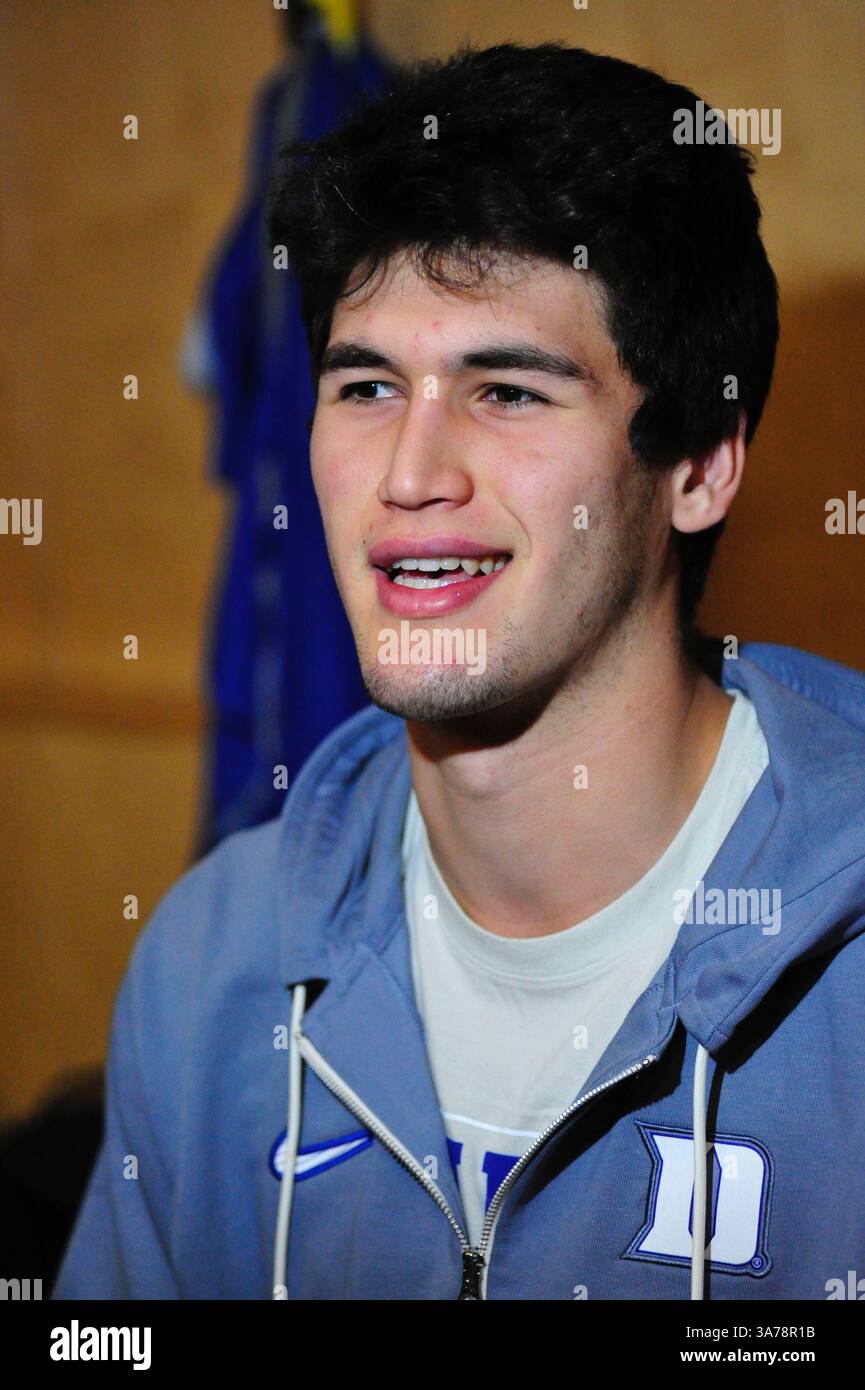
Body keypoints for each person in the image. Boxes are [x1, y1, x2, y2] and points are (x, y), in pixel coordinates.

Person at [53, 41, 865, 1302]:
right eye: (367, 383)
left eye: (508, 391)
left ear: (700, 462)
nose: (410, 474)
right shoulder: (215, 961)